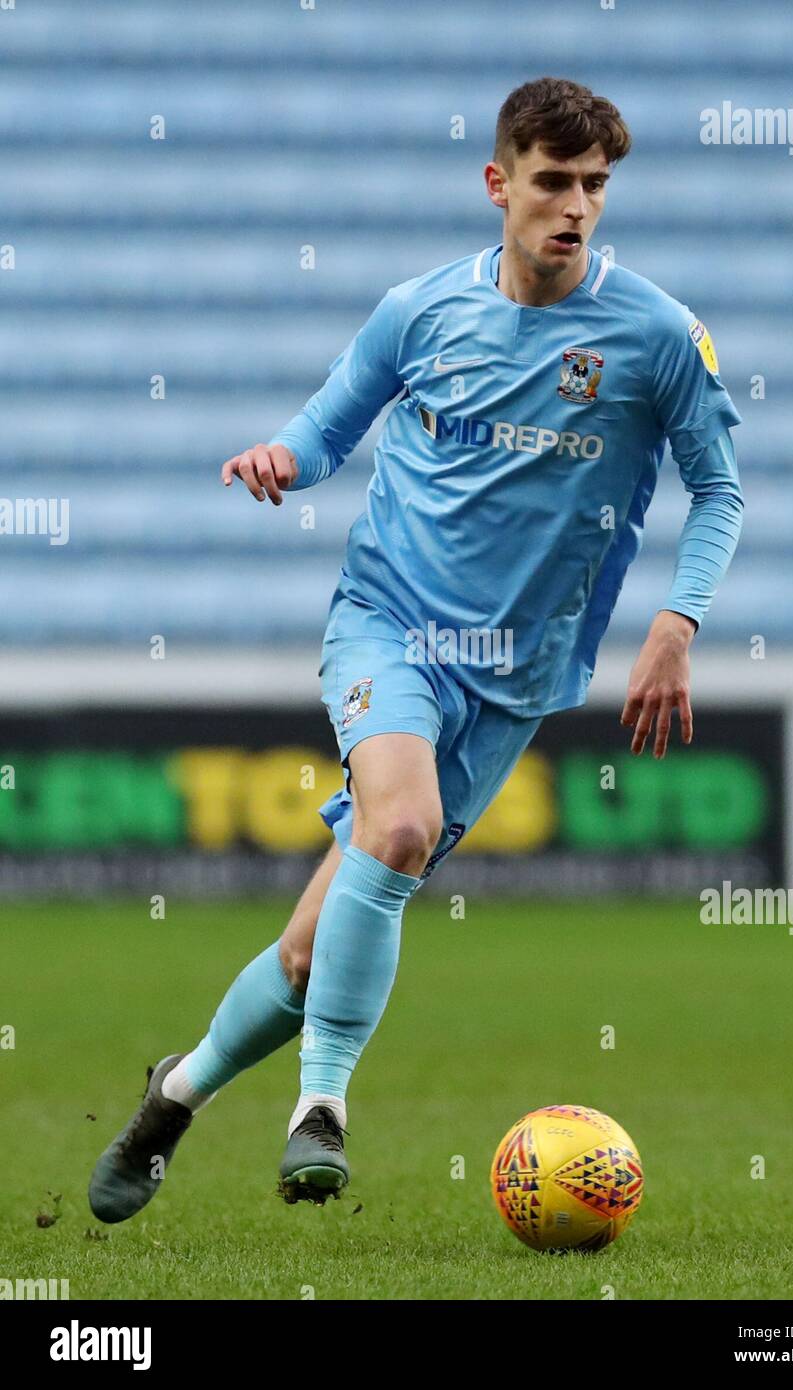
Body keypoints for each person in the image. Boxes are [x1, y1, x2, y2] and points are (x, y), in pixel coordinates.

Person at [89, 76, 742, 1222]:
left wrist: (677, 620)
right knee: (401, 825)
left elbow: (719, 490)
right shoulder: (420, 310)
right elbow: (328, 422)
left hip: (518, 674)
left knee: (309, 956)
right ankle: (321, 1110)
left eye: (594, 186)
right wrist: (282, 460)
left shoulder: (656, 337)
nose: (575, 206)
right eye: (552, 182)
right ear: (499, 184)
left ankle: (174, 1094)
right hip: (389, 623)